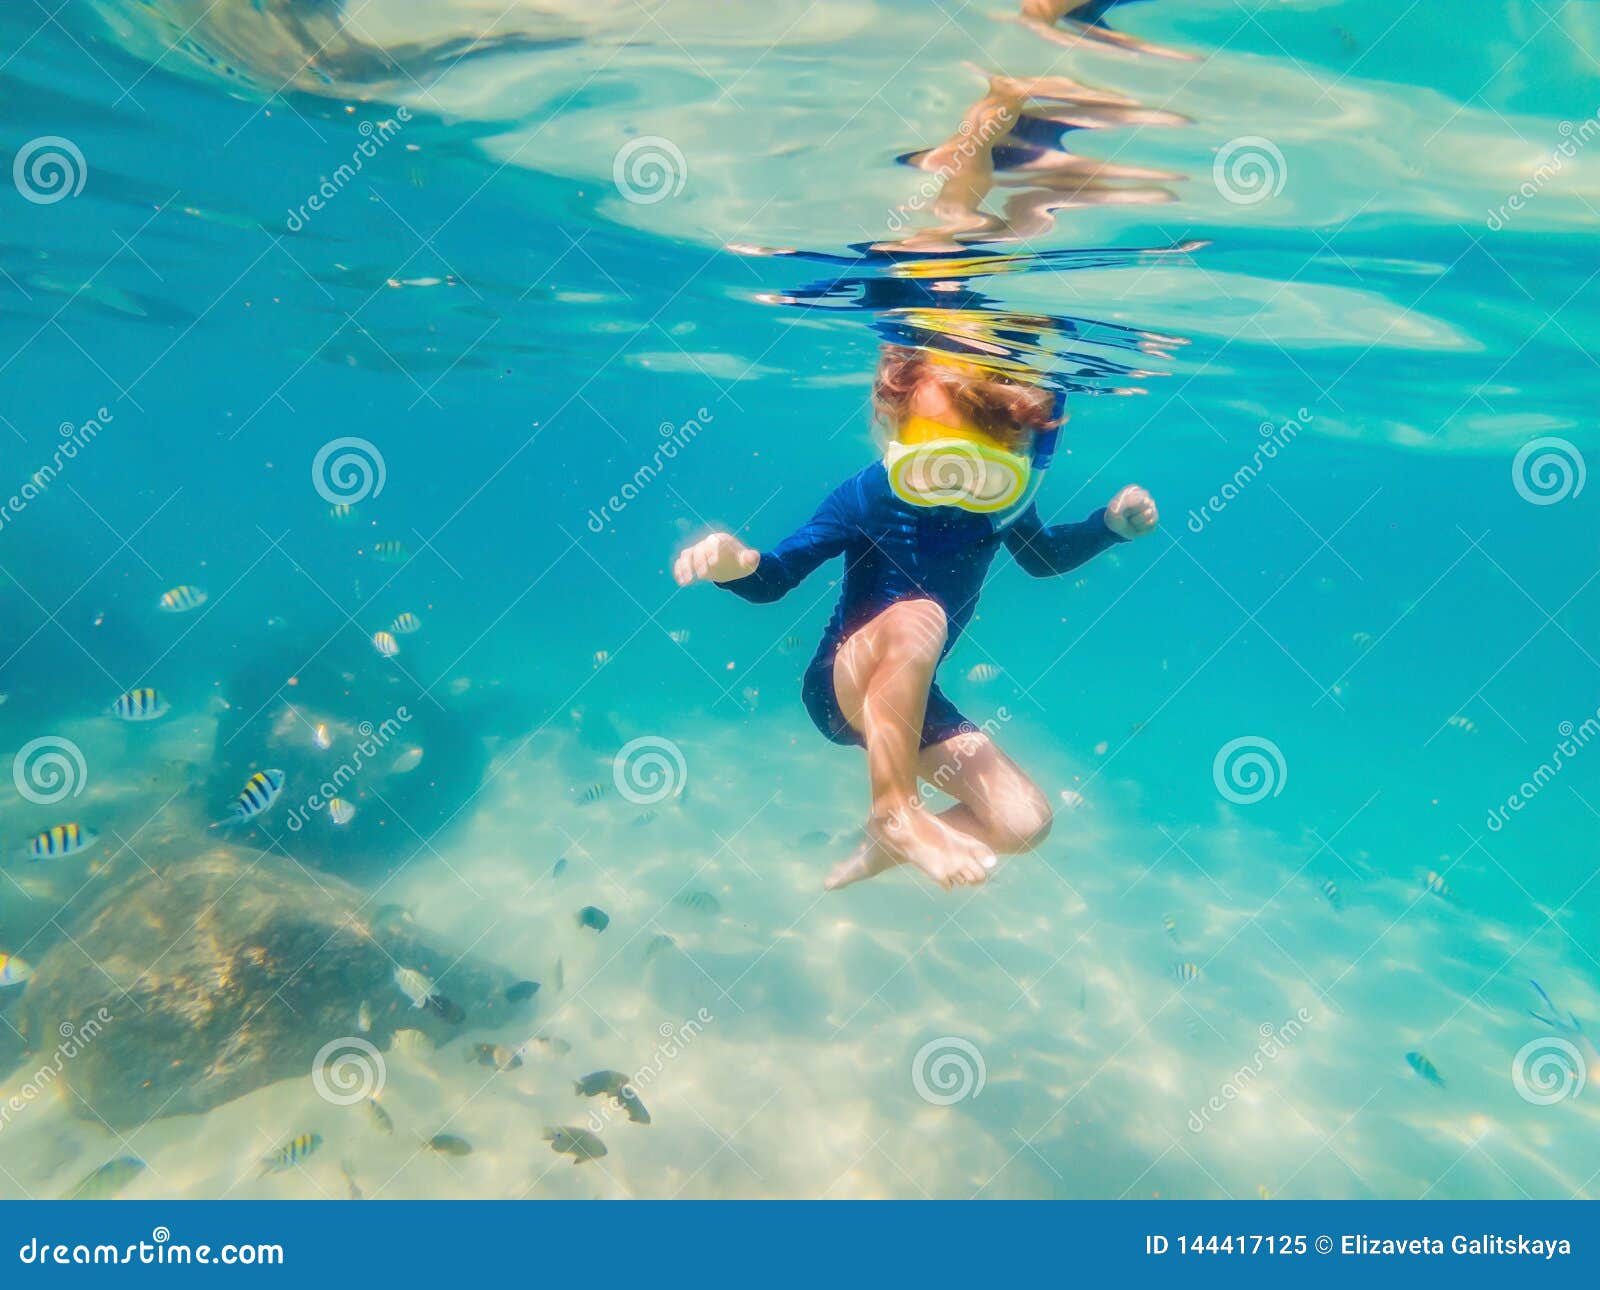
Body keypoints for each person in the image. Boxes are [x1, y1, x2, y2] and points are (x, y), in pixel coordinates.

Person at [672, 346, 1158, 892]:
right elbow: (777, 579)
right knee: (919, 616)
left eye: (983, 463)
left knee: (1025, 822)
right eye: (934, 454)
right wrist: (734, 564)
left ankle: (885, 846)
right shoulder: (868, 495)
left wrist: (1108, 527)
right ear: (894, 428)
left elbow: (1042, 559)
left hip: (912, 703)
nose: (955, 481)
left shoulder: (1003, 504)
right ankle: (895, 815)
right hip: (842, 685)